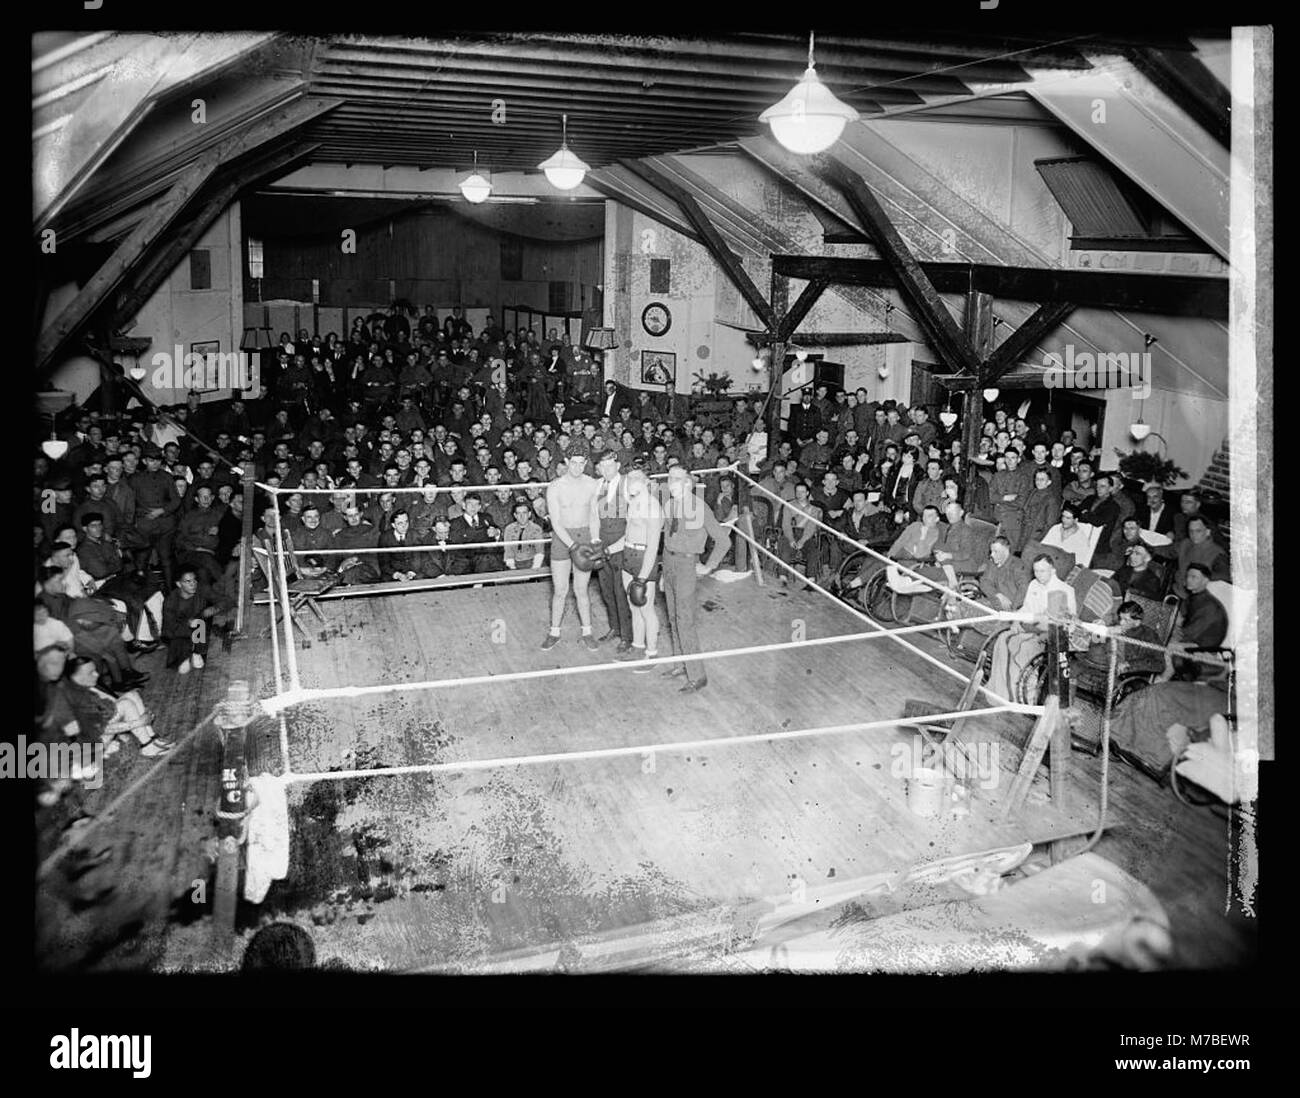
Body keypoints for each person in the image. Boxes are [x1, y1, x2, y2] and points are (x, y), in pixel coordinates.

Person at [659, 467, 731, 692]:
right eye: (669, 478)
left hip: (687, 566)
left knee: (685, 620)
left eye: (677, 479)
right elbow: (667, 541)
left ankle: (697, 676)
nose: (671, 482)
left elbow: (723, 541)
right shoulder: (669, 505)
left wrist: (709, 566)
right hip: (669, 563)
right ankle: (682, 664)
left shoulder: (700, 508)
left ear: (688, 483)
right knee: (673, 618)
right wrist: (663, 573)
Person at [986, 554, 1077, 701]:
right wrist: (1016, 620)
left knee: (1023, 647)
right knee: (1003, 639)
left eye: (1042, 571)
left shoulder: (1064, 590)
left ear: (1053, 571)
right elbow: (1026, 608)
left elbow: (1067, 621)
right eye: (1036, 571)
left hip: (1050, 635)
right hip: (1031, 627)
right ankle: (1000, 691)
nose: (1038, 575)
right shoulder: (1034, 584)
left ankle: (1020, 696)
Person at [541, 451, 602, 650]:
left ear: (586, 463)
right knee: (560, 590)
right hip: (562, 538)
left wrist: (594, 540)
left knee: (581, 590)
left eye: (581, 463)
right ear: (567, 462)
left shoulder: (592, 484)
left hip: (584, 535)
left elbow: (594, 515)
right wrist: (572, 546)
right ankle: (554, 632)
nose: (577, 467)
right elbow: (556, 522)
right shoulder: (555, 486)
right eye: (573, 463)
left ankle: (587, 632)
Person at [64, 656, 174, 758]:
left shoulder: (87, 685)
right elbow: (102, 728)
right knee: (125, 704)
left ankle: (152, 737)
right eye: (91, 673)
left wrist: (140, 713)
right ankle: (148, 747)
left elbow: (112, 705)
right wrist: (138, 722)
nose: (97, 674)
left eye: (95, 670)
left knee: (132, 695)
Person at [615, 469, 665, 669]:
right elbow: (628, 535)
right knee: (634, 607)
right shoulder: (633, 502)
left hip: (645, 558)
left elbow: (653, 546)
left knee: (646, 609)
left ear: (645, 482)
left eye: (635, 480)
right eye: (629, 480)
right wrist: (607, 550)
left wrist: (643, 578)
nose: (630, 484)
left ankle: (652, 654)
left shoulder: (653, 508)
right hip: (628, 556)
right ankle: (637, 646)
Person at [589, 451, 635, 652]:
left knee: (621, 591)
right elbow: (593, 515)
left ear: (617, 466)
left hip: (622, 546)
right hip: (603, 545)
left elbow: (635, 522)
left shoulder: (627, 485)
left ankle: (628, 635)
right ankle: (615, 628)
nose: (606, 470)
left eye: (610, 466)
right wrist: (595, 541)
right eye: (602, 466)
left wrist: (620, 545)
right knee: (607, 590)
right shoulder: (597, 485)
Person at [161, 568, 215, 675]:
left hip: (197, 631)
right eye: (188, 581)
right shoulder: (171, 601)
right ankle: (184, 655)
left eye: (194, 580)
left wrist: (215, 608)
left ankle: (197, 652)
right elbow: (170, 627)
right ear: (179, 584)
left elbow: (224, 600)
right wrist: (187, 623)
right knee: (182, 670)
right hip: (176, 634)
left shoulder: (200, 593)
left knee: (200, 623)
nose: (193, 584)